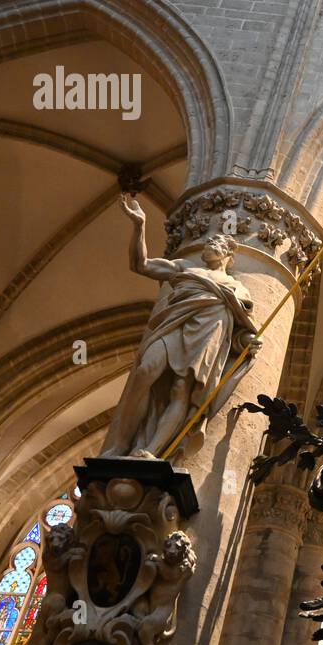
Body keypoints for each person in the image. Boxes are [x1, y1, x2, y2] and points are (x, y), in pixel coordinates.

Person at [100, 194, 262, 458]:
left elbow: (241, 328)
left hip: (208, 333)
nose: (209, 243)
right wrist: (139, 225)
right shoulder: (185, 268)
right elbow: (140, 264)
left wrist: (247, 343)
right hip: (175, 326)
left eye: (216, 241)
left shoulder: (237, 288)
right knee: (145, 371)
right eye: (208, 240)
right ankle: (120, 444)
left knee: (181, 391)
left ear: (228, 254)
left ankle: (152, 452)